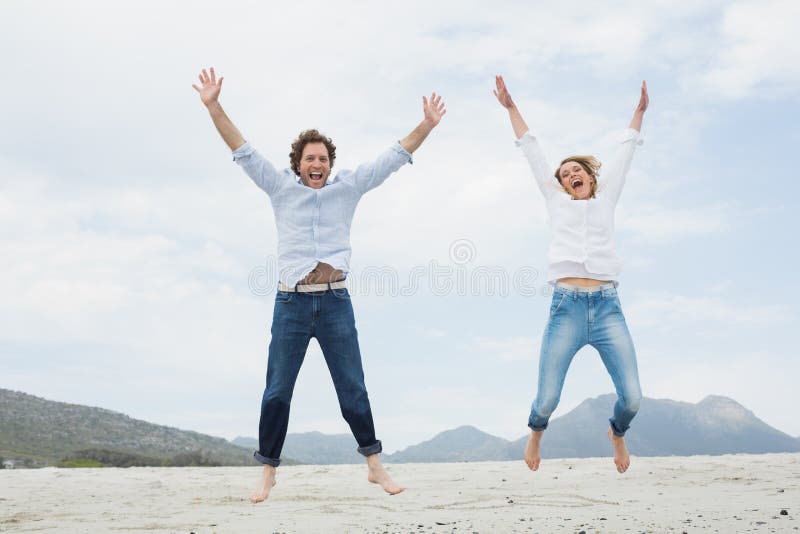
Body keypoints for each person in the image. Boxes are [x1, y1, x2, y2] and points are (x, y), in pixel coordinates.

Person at [192, 67, 446, 501]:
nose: (317, 165)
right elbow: (242, 148)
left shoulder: (348, 188)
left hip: (334, 304)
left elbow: (394, 156)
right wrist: (214, 106)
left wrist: (426, 124)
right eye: (310, 159)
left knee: (353, 387)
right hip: (291, 305)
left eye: (323, 159)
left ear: (331, 164)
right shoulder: (278, 187)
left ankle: (374, 465)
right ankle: (268, 471)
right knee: (277, 390)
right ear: (298, 164)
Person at [493, 75, 648, 474]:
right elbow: (533, 152)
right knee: (546, 399)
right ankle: (536, 435)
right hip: (567, 308)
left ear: (592, 178)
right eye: (565, 174)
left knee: (632, 398)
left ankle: (616, 433)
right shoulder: (556, 201)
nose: (571, 175)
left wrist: (639, 112)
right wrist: (511, 107)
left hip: (608, 307)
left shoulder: (606, 197)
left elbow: (625, 151)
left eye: (578, 170)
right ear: (560, 185)